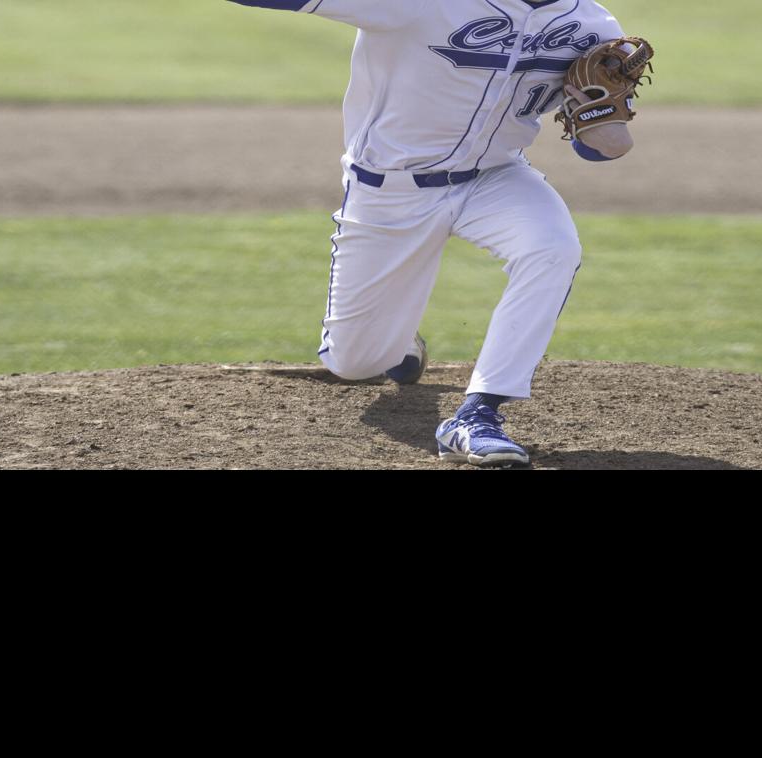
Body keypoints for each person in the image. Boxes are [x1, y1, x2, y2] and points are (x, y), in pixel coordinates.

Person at [228, 0, 637, 467]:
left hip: (496, 177)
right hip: (391, 189)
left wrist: (603, 127)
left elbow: (600, 147)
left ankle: (477, 414)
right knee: (354, 363)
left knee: (552, 248)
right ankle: (398, 338)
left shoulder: (591, 24)